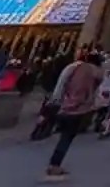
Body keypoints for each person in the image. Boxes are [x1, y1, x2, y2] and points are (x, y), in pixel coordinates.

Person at [43, 52, 104, 182]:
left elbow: (61, 84)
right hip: (76, 109)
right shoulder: (92, 72)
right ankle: (54, 165)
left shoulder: (74, 67)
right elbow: (94, 88)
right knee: (66, 138)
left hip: (63, 105)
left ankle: (55, 164)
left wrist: (56, 101)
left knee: (64, 136)